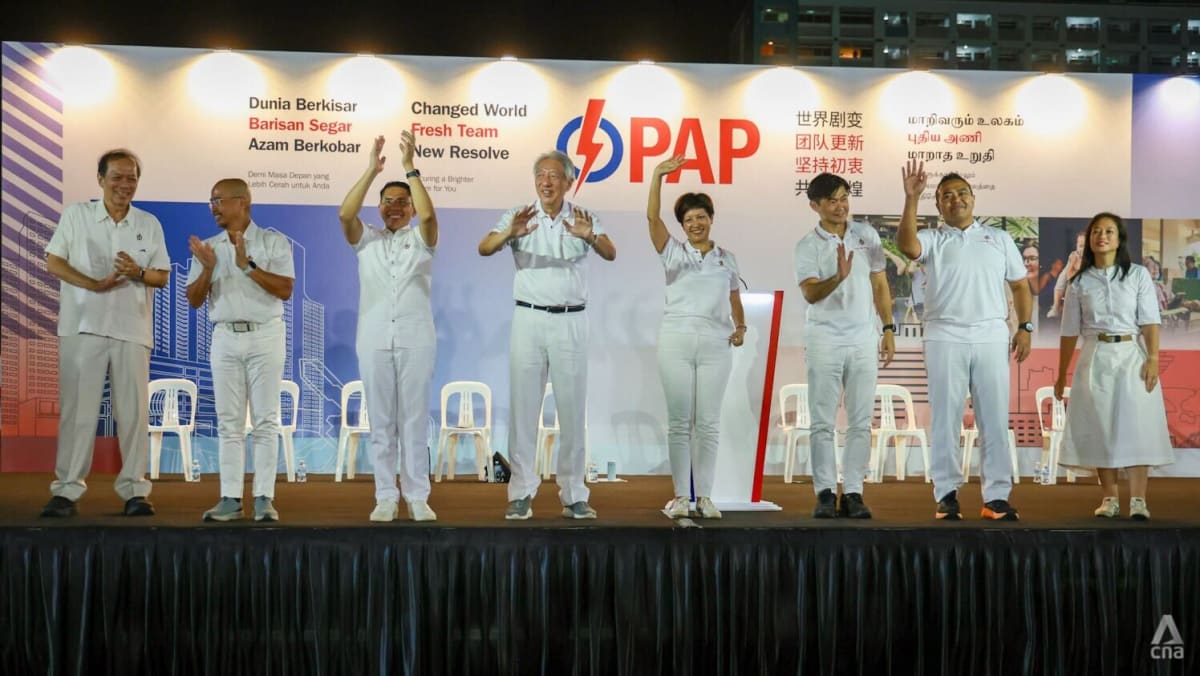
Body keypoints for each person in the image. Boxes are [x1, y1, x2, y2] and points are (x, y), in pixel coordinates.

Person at [478, 150, 616, 520]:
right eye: (541, 174)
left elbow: (610, 252)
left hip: (571, 320)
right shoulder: (519, 215)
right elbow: (484, 247)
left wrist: (590, 237)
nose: (547, 181)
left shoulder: (583, 217)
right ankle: (521, 492)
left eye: (555, 175)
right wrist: (511, 232)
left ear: (569, 182)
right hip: (529, 319)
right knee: (524, 409)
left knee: (572, 411)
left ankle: (574, 494)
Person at [898, 161, 1032, 521]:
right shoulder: (933, 238)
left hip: (991, 335)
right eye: (946, 196)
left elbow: (1020, 285)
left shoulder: (999, 239)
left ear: (973, 199)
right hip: (944, 335)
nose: (955, 200)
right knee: (945, 417)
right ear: (938, 205)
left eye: (961, 194)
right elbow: (907, 247)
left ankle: (997, 497)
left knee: (993, 417)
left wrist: (1026, 327)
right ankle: (946, 493)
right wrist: (911, 198)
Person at [40, 149, 170, 518]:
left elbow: (162, 274)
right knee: (78, 413)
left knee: (133, 414)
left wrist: (138, 273)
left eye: (131, 178)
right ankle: (66, 491)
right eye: (117, 177)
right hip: (83, 327)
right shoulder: (77, 216)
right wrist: (93, 284)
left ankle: (134, 491)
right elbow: (54, 261)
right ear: (100, 179)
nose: (125, 185)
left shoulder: (149, 223)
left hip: (132, 329)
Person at [337, 132, 439, 522]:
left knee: (413, 419)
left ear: (411, 207)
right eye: (388, 202)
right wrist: (371, 171)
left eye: (402, 202)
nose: (394, 208)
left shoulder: (422, 239)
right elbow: (346, 215)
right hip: (374, 338)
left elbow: (430, 217)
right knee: (381, 420)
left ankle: (416, 496)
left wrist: (410, 166)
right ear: (378, 208)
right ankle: (385, 495)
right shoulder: (367, 241)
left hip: (416, 339)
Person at [187, 178, 295, 522]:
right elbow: (193, 300)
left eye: (219, 200)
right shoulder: (208, 247)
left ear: (242, 202)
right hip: (225, 337)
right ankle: (230, 498)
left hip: (265, 335)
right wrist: (207, 268)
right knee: (228, 423)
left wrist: (247, 265)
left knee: (265, 420)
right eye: (211, 202)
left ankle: (264, 498)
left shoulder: (273, 242)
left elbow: (285, 289)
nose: (214, 208)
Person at [1054, 213, 1173, 520]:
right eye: (1096, 231)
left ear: (1119, 239)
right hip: (1094, 356)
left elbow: (1150, 321)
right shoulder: (1078, 281)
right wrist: (1060, 373)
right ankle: (1109, 498)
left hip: (1132, 356)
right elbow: (1069, 331)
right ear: (1089, 239)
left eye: (1109, 231)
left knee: (1137, 426)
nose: (1102, 236)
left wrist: (1153, 358)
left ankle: (1138, 500)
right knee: (1099, 427)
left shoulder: (1137, 275)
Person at [646, 155, 746, 520]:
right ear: (683, 226)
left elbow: (735, 298)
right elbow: (652, 219)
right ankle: (680, 497)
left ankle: (704, 496)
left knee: (708, 422)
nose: (695, 223)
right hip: (676, 339)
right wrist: (657, 175)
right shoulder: (672, 251)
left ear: (711, 218)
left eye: (701, 216)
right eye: (688, 220)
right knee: (679, 422)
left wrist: (741, 327)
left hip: (716, 344)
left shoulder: (727, 258)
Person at [794, 173, 895, 518]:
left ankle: (853, 491)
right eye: (832, 201)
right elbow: (809, 293)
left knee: (861, 420)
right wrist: (838, 277)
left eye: (844, 199)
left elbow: (880, 284)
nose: (841, 207)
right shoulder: (807, 245)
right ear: (815, 206)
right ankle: (824, 491)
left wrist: (888, 327)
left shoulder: (866, 236)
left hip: (863, 339)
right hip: (824, 338)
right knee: (822, 420)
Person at [1047, 232, 1086, 318]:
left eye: (1087, 247)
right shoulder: (1074, 255)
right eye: (1080, 246)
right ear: (1077, 245)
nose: (1083, 249)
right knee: (1061, 279)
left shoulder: (1093, 257)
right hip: (1072, 273)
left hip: (1085, 276)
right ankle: (1056, 307)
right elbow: (1068, 274)